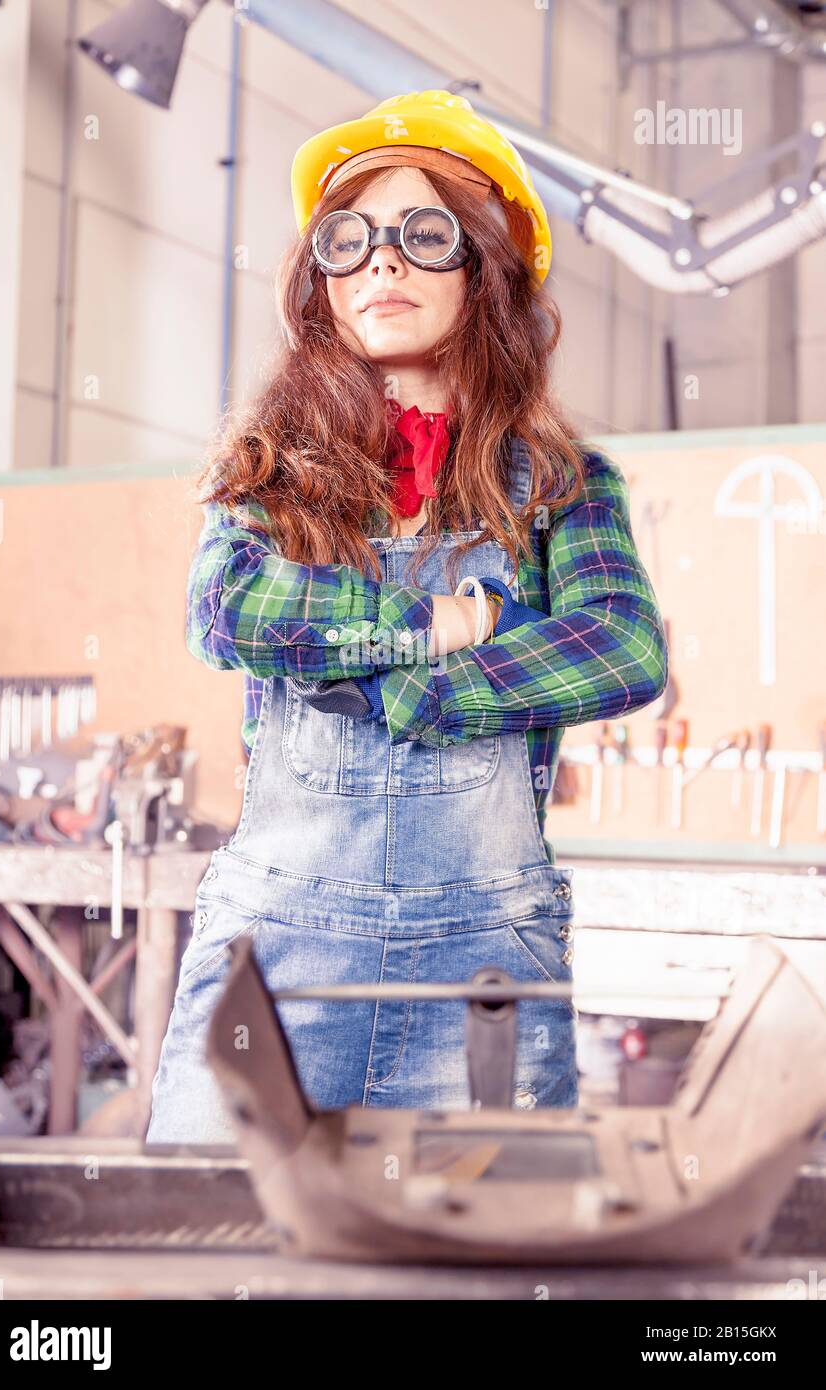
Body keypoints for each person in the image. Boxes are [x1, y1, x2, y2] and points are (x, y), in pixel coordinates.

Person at [146, 90, 668, 1144]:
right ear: (324, 284)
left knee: (479, 1266)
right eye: (349, 240)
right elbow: (229, 608)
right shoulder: (271, 472)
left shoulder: (561, 485)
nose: (379, 262)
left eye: (422, 235)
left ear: (484, 270)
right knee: (207, 1252)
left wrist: (425, 689)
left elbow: (620, 646)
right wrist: (446, 622)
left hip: (480, 972)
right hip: (277, 961)